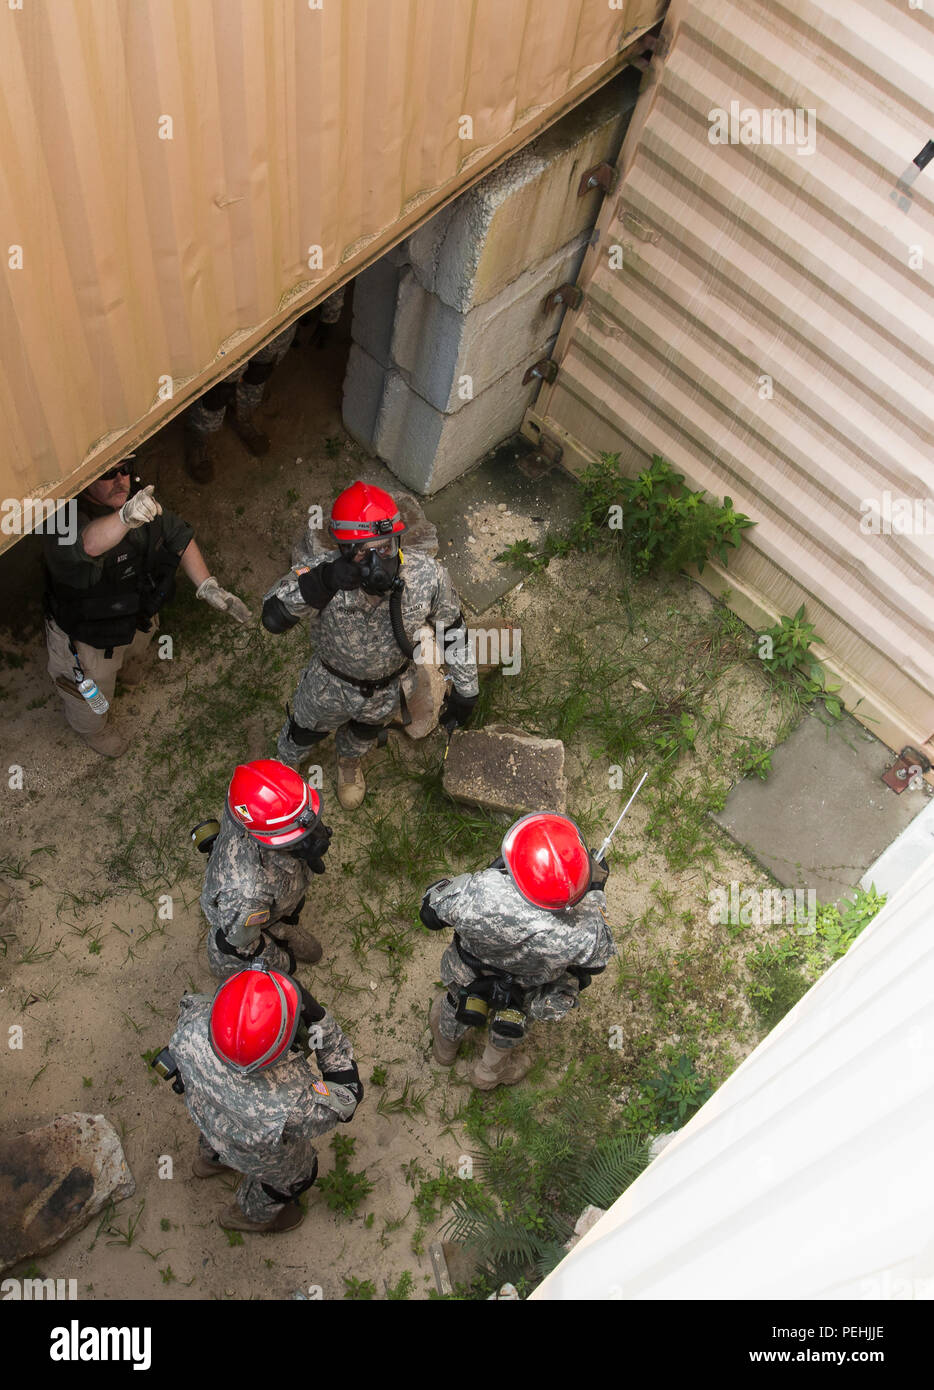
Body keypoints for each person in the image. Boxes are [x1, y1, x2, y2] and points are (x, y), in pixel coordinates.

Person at [262, 480, 478, 810]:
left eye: (385, 548)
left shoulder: (427, 576)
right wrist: (324, 581)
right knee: (303, 730)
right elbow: (273, 617)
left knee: (364, 732)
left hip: (386, 689)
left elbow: (453, 629)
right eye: (362, 551)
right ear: (343, 550)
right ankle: (285, 766)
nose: (377, 560)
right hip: (328, 686)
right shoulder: (323, 575)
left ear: (398, 540)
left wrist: (466, 688)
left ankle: (348, 763)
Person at [44, 459, 250, 757]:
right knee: (90, 697)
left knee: (137, 649)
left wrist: (207, 585)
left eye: (126, 468)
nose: (121, 479)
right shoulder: (61, 519)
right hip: (90, 638)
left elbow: (179, 535)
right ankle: (93, 729)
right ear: (84, 480)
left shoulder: (139, 500)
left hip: (136, 612)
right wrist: (125, 518)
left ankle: (127, 667)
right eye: (108, 473)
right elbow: (88, 544)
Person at [422, 813, 616, 1090]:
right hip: (528, 988)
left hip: (468, 974)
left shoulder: (479, 891)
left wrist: (492, 874)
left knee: (454, 1004)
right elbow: (594, 966)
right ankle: (488, 1073)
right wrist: (594, 893)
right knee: (511, 1023)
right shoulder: (587, 930)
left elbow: (429, 914)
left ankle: (444, 1049)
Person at [168, 962, 363, 1233]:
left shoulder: (190, 1027)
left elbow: (197, 1007)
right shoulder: (294, 1100)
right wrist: (321, 1023)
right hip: (254, 1151)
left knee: (215, 1134)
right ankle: (249, 1215)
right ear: (282, 1046)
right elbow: (347, 1099)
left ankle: (208, 1161)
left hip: (209, 1116)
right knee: (298, 1176)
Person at [200, 760, 332, 979]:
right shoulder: (247, 894)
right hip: (244, 925)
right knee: (275, 961)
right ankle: (276, 952)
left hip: (275, 897)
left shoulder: (251, 805)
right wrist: (283, 962)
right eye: (297, 836)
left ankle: (283, 924)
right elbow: (244, 941)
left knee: (288, 898)